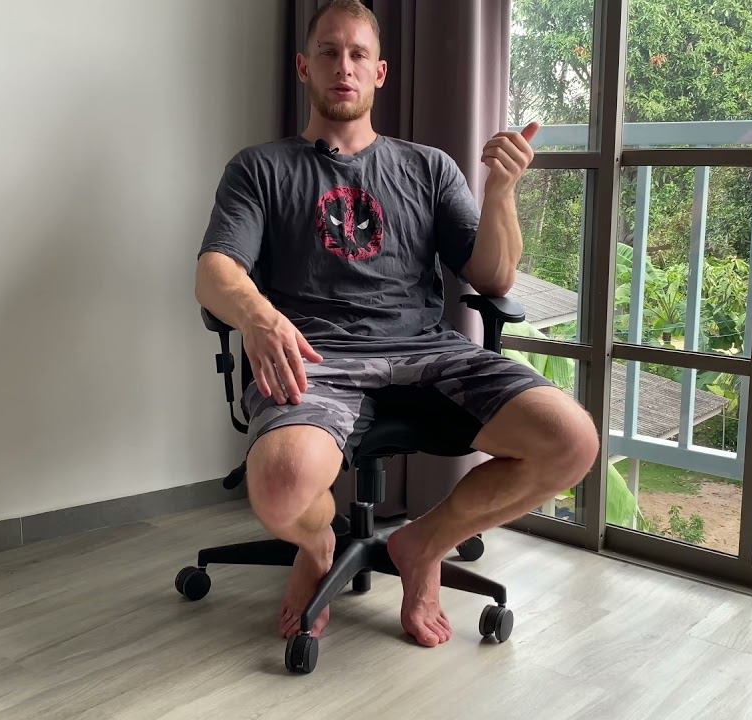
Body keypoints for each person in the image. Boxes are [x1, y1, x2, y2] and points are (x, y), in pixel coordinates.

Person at [195, 0, 598, 648]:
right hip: (318, 356)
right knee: (279, 486)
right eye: (329, 52)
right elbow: (215, 271)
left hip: (426, 352)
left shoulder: (428, 167)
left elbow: (493, 278)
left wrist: (500, 193)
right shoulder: (260, 168)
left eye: (358, 54)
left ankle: (423, 544)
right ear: (303, 66)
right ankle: (317, 546)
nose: (344, 67)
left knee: (571, 441)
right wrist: (260, 316)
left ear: (379, 72)